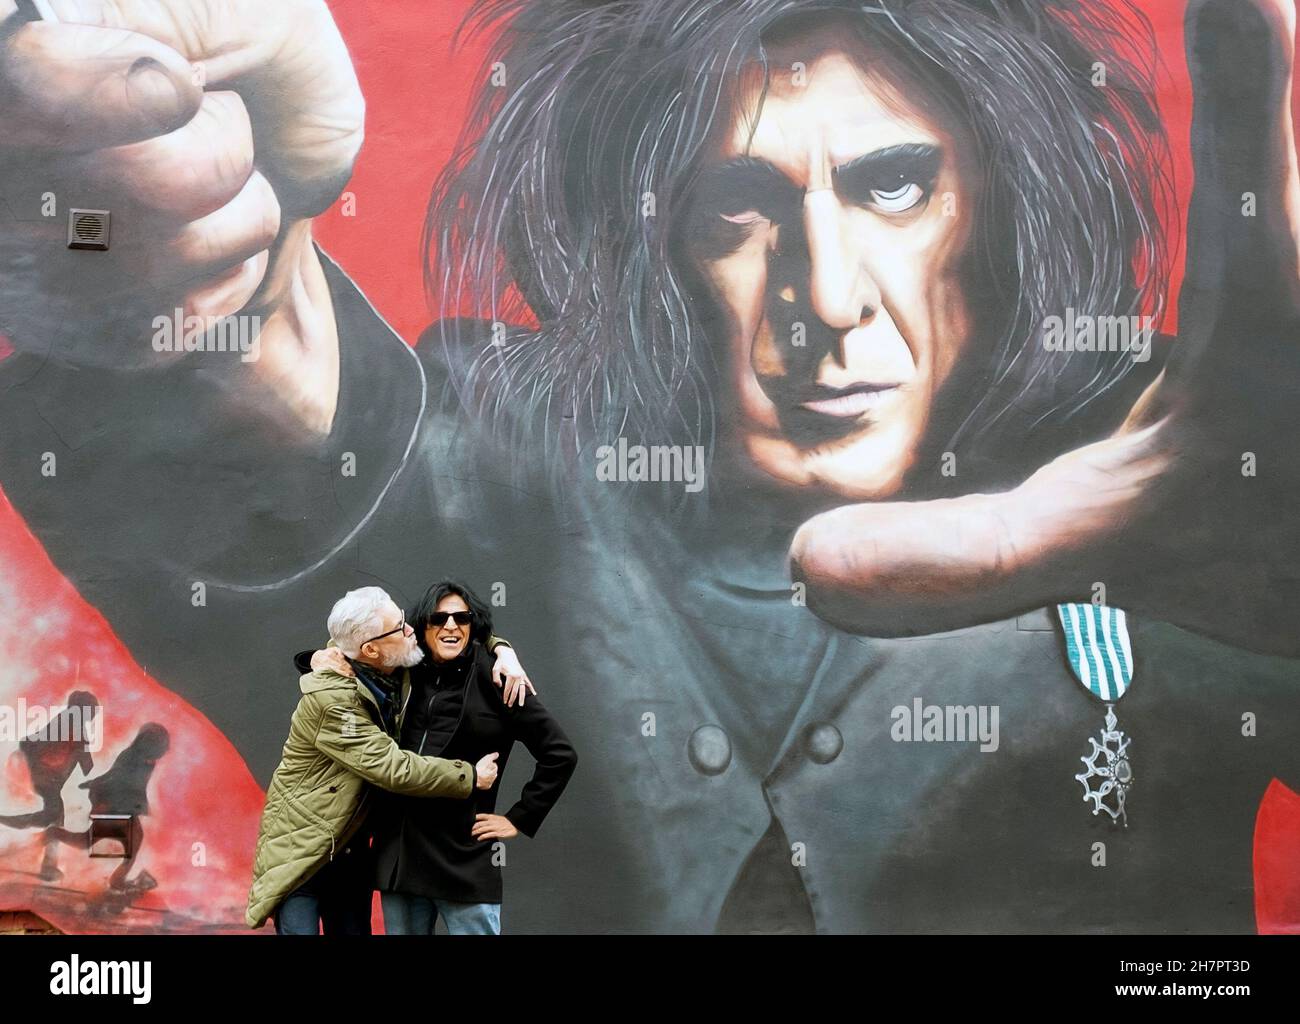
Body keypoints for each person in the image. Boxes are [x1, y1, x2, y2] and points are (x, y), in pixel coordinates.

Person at [0, 0, 1297, 933]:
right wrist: (181, 249)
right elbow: (288, 416)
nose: (825, 299)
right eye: (739, 204)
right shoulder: (506, 456)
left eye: (895, 185)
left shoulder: (1183, 468)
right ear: (648, 242)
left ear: (996, 203)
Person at [309, 581, 577, 934]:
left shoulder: (496, 677)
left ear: (473, 624)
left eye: (462, 618)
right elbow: (357, 648)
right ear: (422, 626)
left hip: (463, 863)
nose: (451, 626)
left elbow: (559, 753)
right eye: (439, 618)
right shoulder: (404, 670)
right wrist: (318, 656)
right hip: (401, 859)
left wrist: (519, 819)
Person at [246, 587, 501, 934]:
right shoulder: (333, 701)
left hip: (350, 850)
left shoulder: (392, 654)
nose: (411, 629)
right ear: (370, 649)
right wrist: (469, 776)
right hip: (302, 851)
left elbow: (458, 630)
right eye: (400, 627)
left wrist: (502, 651)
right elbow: (391, 767)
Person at [0, 690, 99, 831]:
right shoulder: (75, 725)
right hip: (46, 776)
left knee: (56, 815)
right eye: (93, 709)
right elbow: (87, 766)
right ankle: (13, 822)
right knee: (53, 815)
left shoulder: (64, 719)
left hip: (44, 774)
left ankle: (45, 838)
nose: (95, 714)